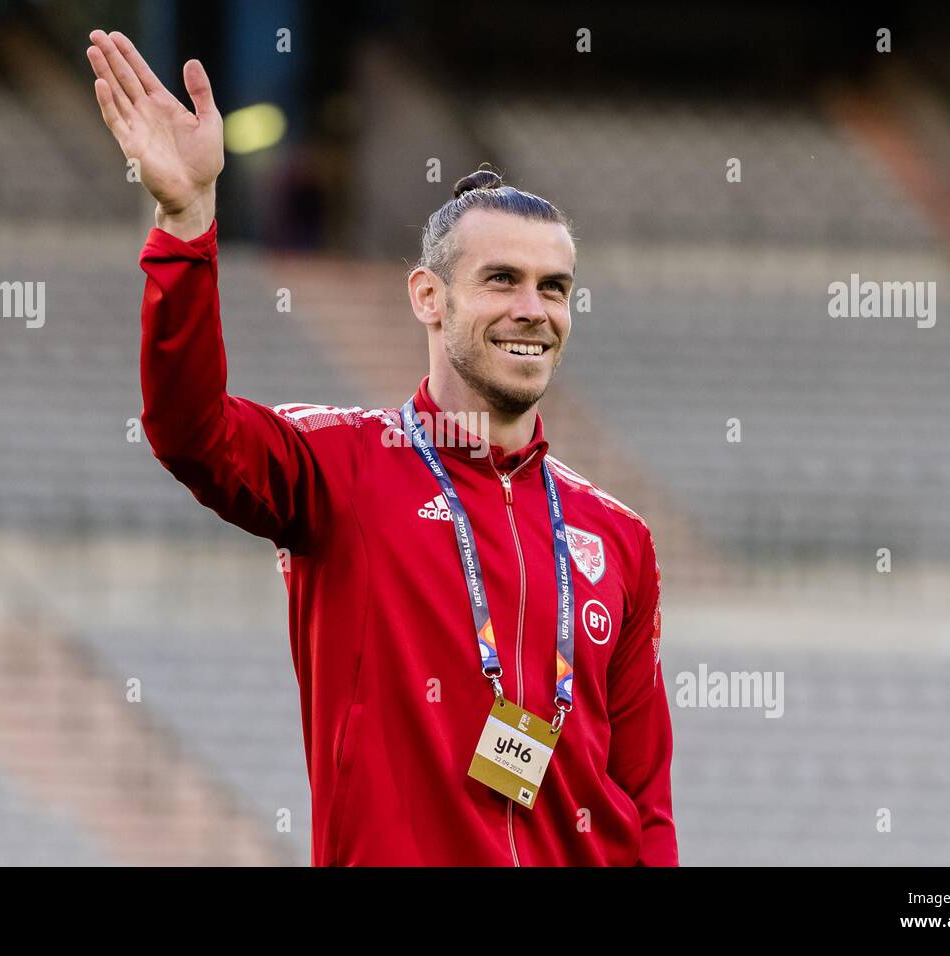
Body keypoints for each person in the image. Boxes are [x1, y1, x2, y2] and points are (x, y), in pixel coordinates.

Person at [86, 29, 676, 866]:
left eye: (555, 288)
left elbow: (646, 801)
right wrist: (186, 222)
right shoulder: (338, 469)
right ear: (428, 297)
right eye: (501, 280)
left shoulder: (620, 539)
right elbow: (190, 431)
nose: (533, 309)